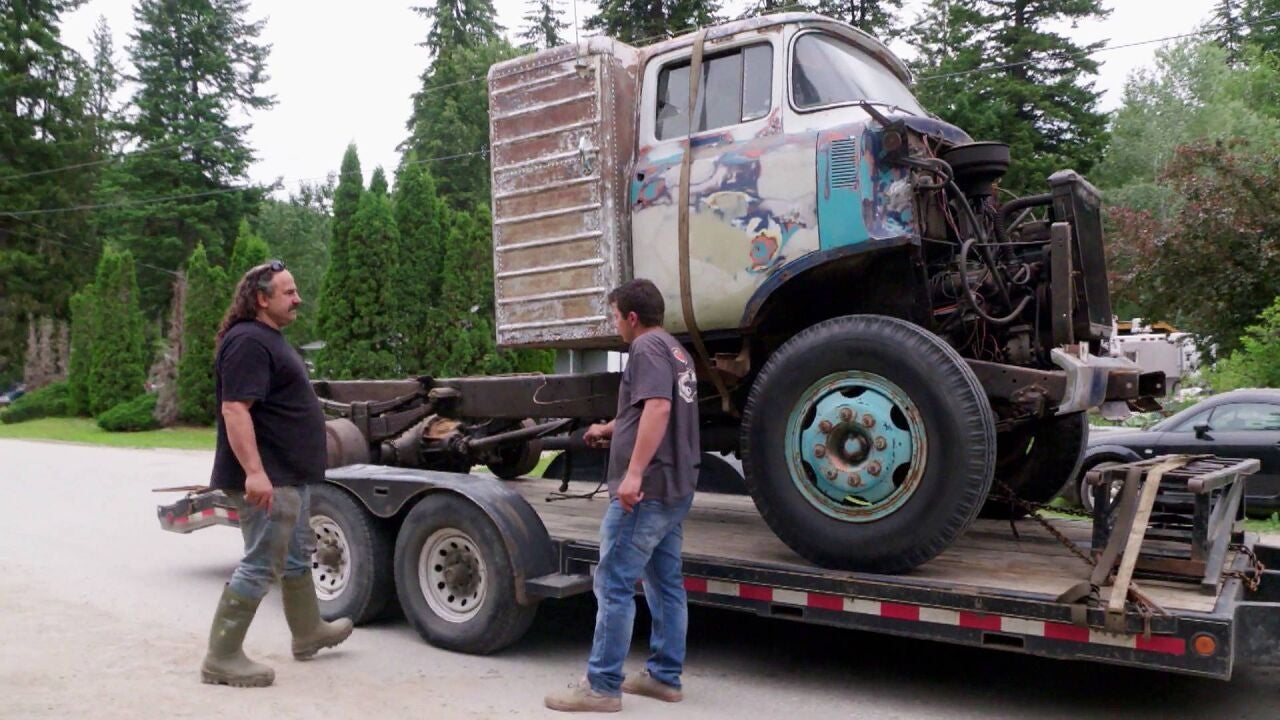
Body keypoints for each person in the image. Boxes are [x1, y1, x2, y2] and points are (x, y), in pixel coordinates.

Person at [545, 278, 701, 713]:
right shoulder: (674, 349)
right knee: (665, 581)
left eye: (615, 316)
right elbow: (649, 407)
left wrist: (633, 474)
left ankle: (602, 686)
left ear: (632, 317)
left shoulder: (646, 349)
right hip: (674, 486)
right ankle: (664, 678)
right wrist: (610, 429)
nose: (615, 325)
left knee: (613, 581)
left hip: (646, 492)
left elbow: (659, 408)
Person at [200, 260, 353, 688]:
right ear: (261, 299)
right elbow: (235, 409)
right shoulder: (248, 341)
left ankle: (307, 633)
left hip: (289, 476)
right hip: (269, 479)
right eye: (288, 292)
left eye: (296, 290)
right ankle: (222, 657)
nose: (298, 298)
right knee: (260, 564)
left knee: (294, 555)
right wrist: (254, 472)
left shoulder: (269, 339)